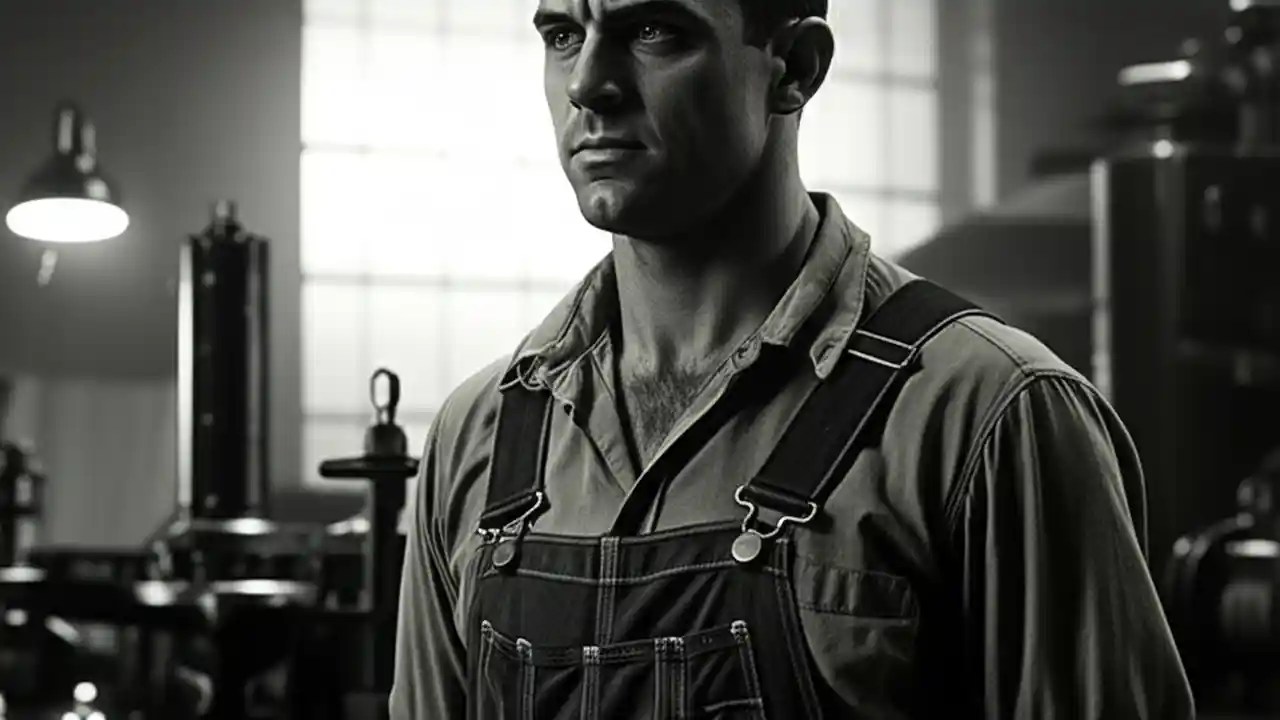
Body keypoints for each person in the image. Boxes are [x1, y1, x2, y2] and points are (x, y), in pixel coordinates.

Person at [390, 0, 1195, 717]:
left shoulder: (988, 416)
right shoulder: (482, 435)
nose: (588, 85)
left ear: (795, 67)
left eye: (653, 31)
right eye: (564, 35)